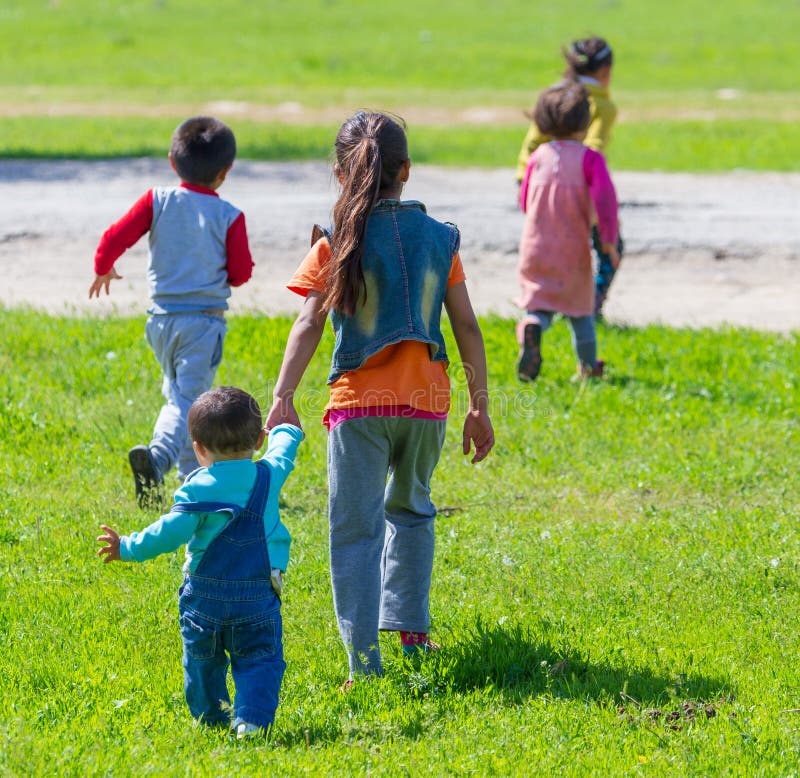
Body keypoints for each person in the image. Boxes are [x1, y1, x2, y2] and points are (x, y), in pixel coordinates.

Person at [264, 111, 495, 683]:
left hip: (358, 408)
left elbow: (308, 324)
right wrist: (479, 406)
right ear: (406, 170)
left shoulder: (336, 240)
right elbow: (466, 326)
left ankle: (363, 665)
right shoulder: (440, 239)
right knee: (413, 512)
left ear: (342, 174)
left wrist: (283, 395)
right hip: (426, 404)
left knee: (355, 531)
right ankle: (412, 636)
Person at [97, 386, 303, 737]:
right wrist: (286, 429)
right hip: (258, 595)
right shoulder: (267, 476)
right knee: (260, 658)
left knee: (202, 661)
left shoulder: (197, 489)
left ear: (198, 448)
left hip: (204, 600)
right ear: (258, 440)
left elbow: (169, 533)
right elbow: (283, 451)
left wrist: (127, 547)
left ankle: (211, 719)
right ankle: (251, 720)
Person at [89, 116, 254, 508]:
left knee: (180, 396)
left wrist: (103, 266)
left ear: (172, 161)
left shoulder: (156, 201)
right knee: (186, 402)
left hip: (160, 322)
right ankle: (158, 458)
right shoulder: (229, 216)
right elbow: (241, 273)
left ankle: (190, 477)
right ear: (225, 171)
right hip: (203, 324)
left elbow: (114, 236)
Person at [515, 81, 619, 382]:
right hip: (572, 250)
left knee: (539, 306)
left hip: (534, 249)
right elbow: (605, 202)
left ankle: (532, 327)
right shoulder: (590, 159)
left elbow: (524, 200)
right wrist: (608, 240)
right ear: (586, 123)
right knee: (581, 313)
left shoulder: (538, 156)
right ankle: (588, 367)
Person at [515, 37, 622, 316]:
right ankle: (589, 305)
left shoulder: (553, 96)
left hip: (535, 178)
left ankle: (542, 306)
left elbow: (531, 143)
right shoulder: (602, 105)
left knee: (547, 244)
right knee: (607, 246)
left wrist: (524, 179)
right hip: (577, 182)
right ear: (606, 71)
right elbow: (594, 146)